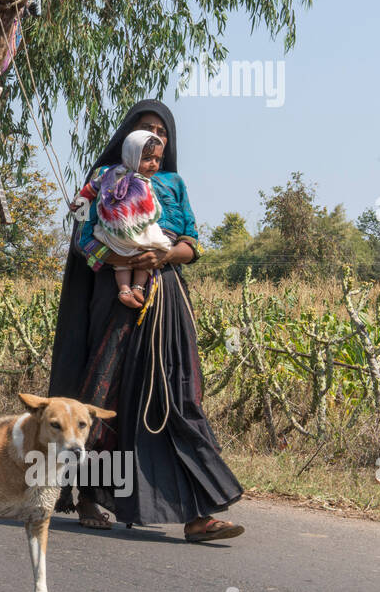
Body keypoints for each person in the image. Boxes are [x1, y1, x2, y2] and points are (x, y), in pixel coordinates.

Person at [48, 100, 245, 542]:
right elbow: (82, 237)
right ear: (128, 138)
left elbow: (192, 241)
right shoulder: (105, 180)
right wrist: (118, 256)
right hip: (113, 299)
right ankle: (90, 493)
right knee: (107, 395)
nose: (155, 137)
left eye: (162, 131)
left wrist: (165, 254)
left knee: (176, 398)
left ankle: (200, 512)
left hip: (166, 301)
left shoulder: (174, 184)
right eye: (145, 128)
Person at [71, 130, 172, 308]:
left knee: (140, 254)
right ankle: (130, 288)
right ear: (132, 153)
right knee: (139, 251)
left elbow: (90, 190)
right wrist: (79, 206)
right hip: (118, 235)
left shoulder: (160, 181)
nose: (153, 164)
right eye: (147, 159)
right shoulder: (111, 174)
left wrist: (80, 200)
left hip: (125, 234)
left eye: (157, 160)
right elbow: (84, 214)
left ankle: (133, 289)